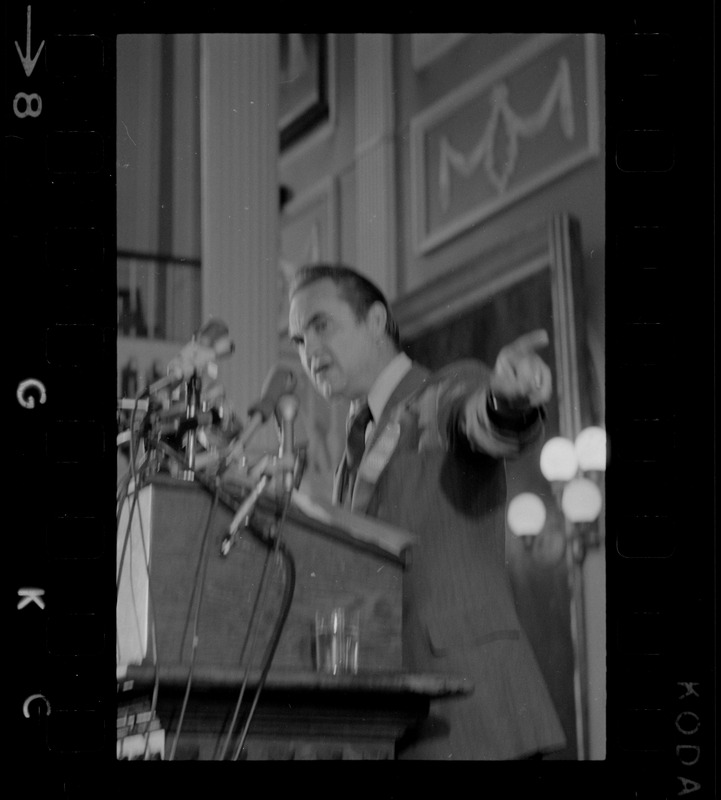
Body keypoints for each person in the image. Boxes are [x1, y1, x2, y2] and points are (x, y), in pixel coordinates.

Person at [287, 263, 566, 760]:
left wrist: (508, 402)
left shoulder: (440, 388)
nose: (308, 351)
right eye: (297, 341)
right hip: (400, 716)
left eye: (320, 326)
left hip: (476, 713)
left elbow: (476, 418)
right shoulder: (352, 445)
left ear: (376, 322)